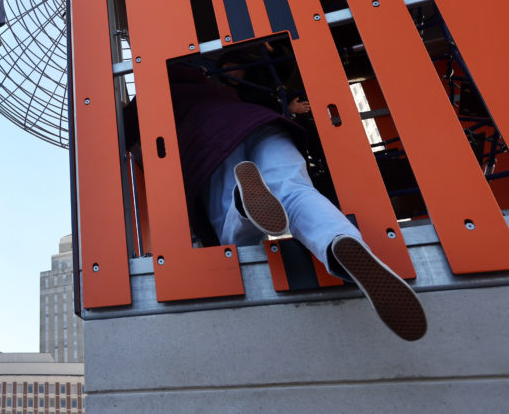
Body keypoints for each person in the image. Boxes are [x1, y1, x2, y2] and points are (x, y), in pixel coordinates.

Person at [126, 62, 427, 341]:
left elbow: (124, 133)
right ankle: (339, 241)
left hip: (209, 145)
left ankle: (243, 205)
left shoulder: (156, 95)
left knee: (230, 240)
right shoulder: (217, 87)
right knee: (296, 191)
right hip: (263, 124)